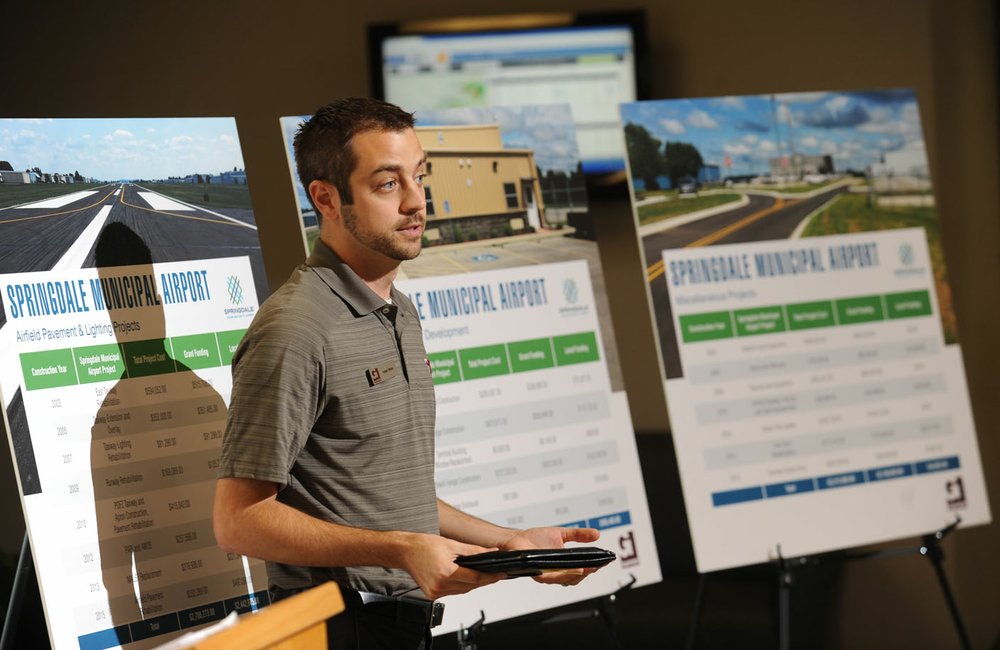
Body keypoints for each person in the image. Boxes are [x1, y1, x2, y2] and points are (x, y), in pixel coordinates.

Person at [213, 97, 600, 649]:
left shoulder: (399, 311)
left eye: (419, 177)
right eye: (388, 184)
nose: (417, 202)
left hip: (400, 625)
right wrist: (399, 550)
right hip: (334, 629)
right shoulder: (296, 328)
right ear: (326, 198)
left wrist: (510, 544)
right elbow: (238, 521)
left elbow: (391, 497)